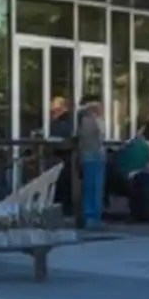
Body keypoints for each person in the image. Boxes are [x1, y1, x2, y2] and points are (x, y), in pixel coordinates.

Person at [76, 97, 106, 229]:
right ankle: (93, 217)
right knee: (95, 187)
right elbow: (98, 138)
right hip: (95, 155)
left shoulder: (83, 121)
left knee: (90, 186)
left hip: (89, 155)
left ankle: (91, 216)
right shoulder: (92, 121)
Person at [49, 96, 77, 216]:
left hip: (64, 156)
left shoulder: (63, 121)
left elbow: (62, 138)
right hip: (65, 156)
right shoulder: (68, 121)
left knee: (62, 183)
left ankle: (63, 207)